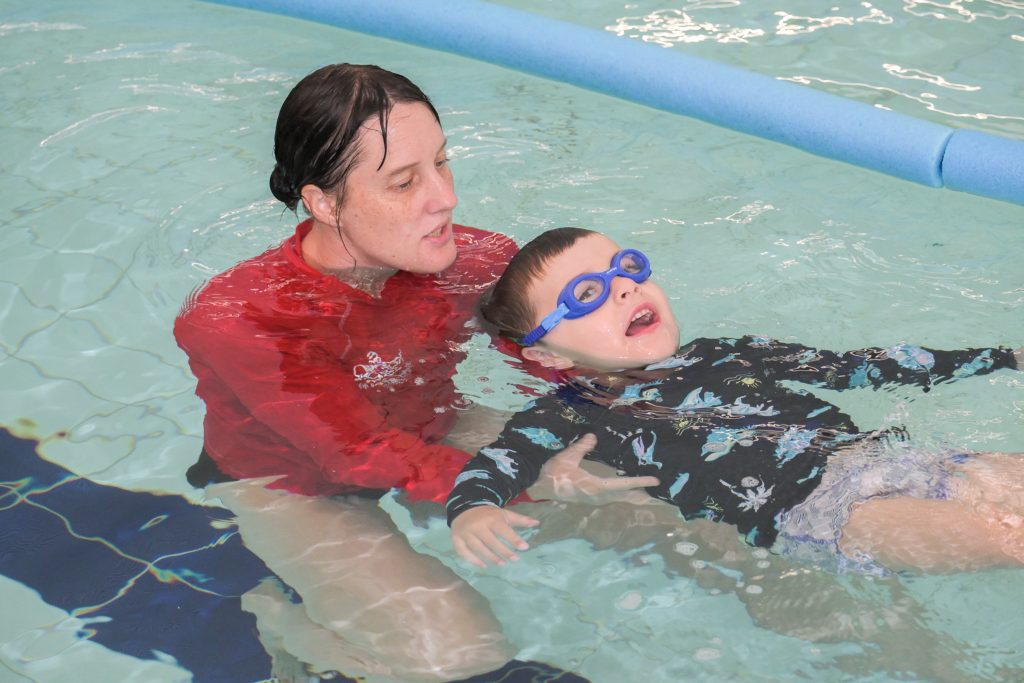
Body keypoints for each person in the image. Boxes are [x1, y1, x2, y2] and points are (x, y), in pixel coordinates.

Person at [174, 66, 650, 682]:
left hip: (433, 425)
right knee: (455, 652)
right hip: (293, 480)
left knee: (636, 497)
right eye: (404, 181)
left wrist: (629, 389)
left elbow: (543, 358)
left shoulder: (471, 260)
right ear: (322, 201)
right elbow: (353, 453)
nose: (445, 197)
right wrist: (520, 480)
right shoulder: (242, 318)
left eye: (442, 162)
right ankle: (283, 622)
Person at [447, 227, 1024, 575]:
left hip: (886, 458)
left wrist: (1001, 357)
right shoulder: (569, 411)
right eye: (588, 295)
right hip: (825, 518)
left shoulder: (726, 352)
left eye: (626, 268)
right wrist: (471, 509)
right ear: (545, 354)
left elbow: (859, 369)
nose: (625, 287)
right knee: (1010, 538)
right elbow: (498, 462)